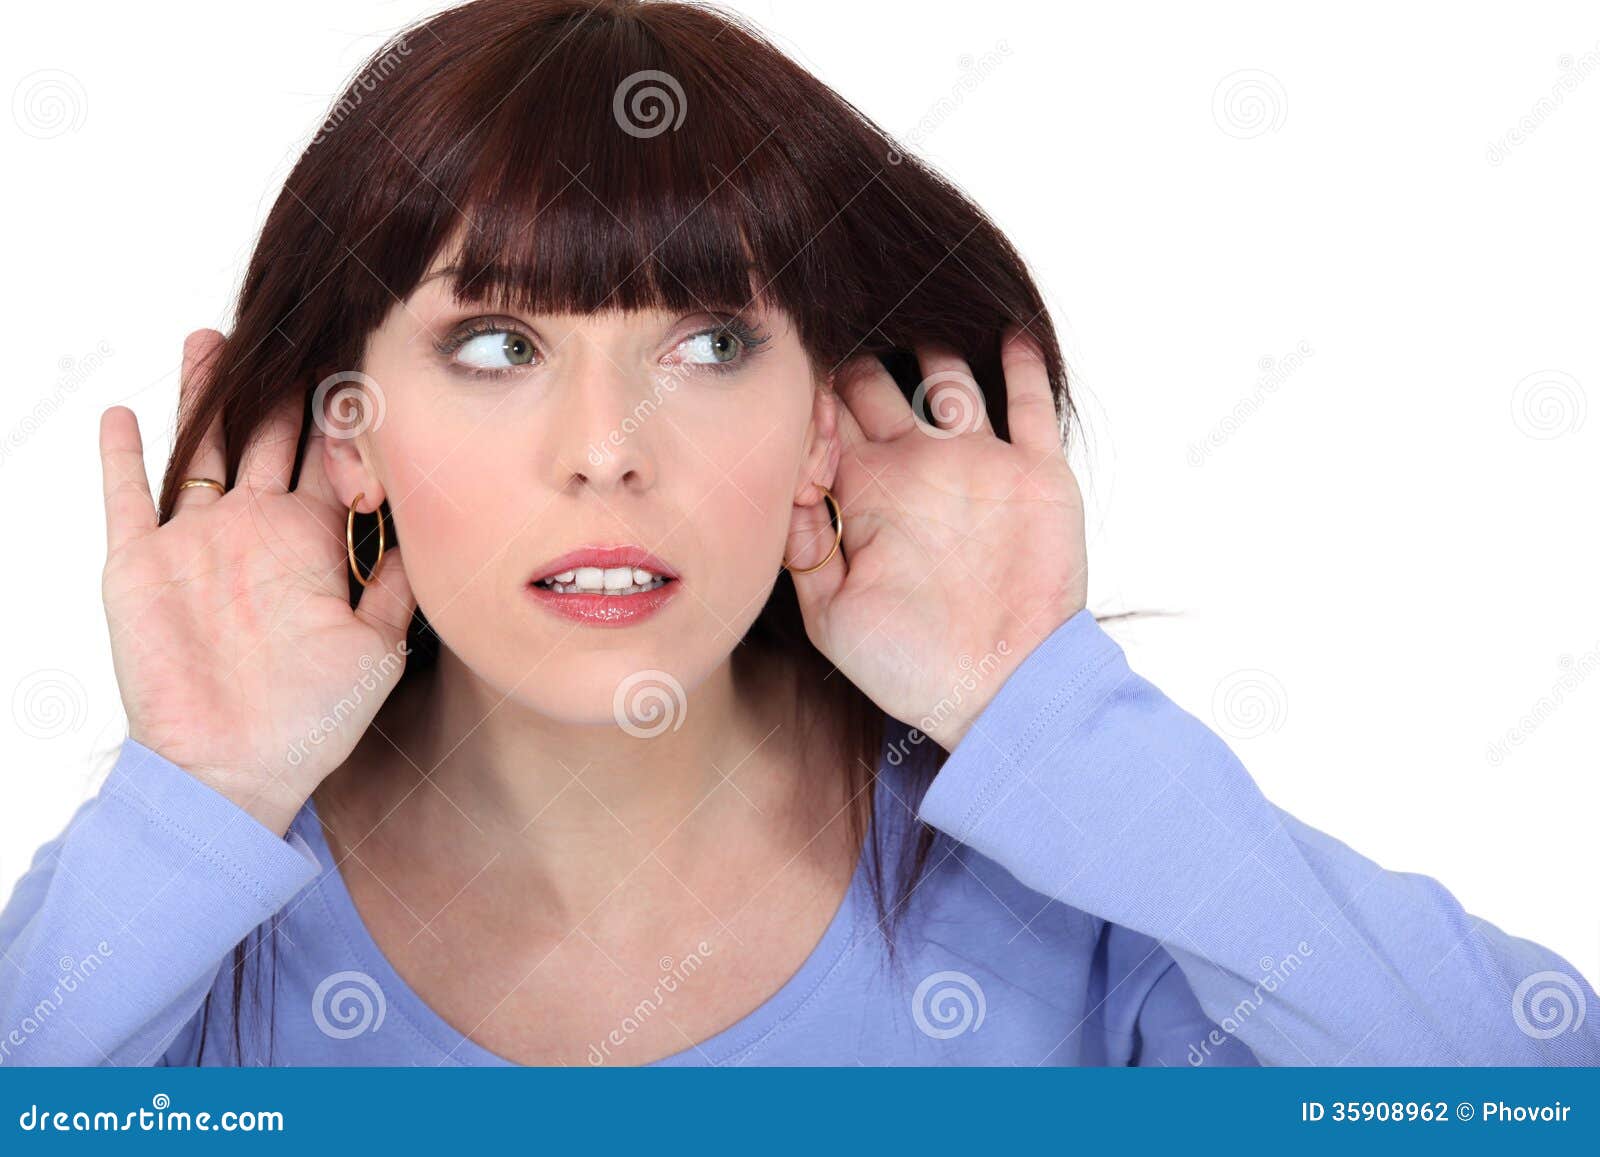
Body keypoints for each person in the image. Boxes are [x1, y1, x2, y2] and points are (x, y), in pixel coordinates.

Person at [3, 0, 1596, 1067]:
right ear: (351, 428)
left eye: (706, 344)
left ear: (824, 415)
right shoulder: (187, 943)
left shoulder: (1067, 910)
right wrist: (191, 798)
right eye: (497, 346)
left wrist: (1049, 716)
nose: (607, 455)